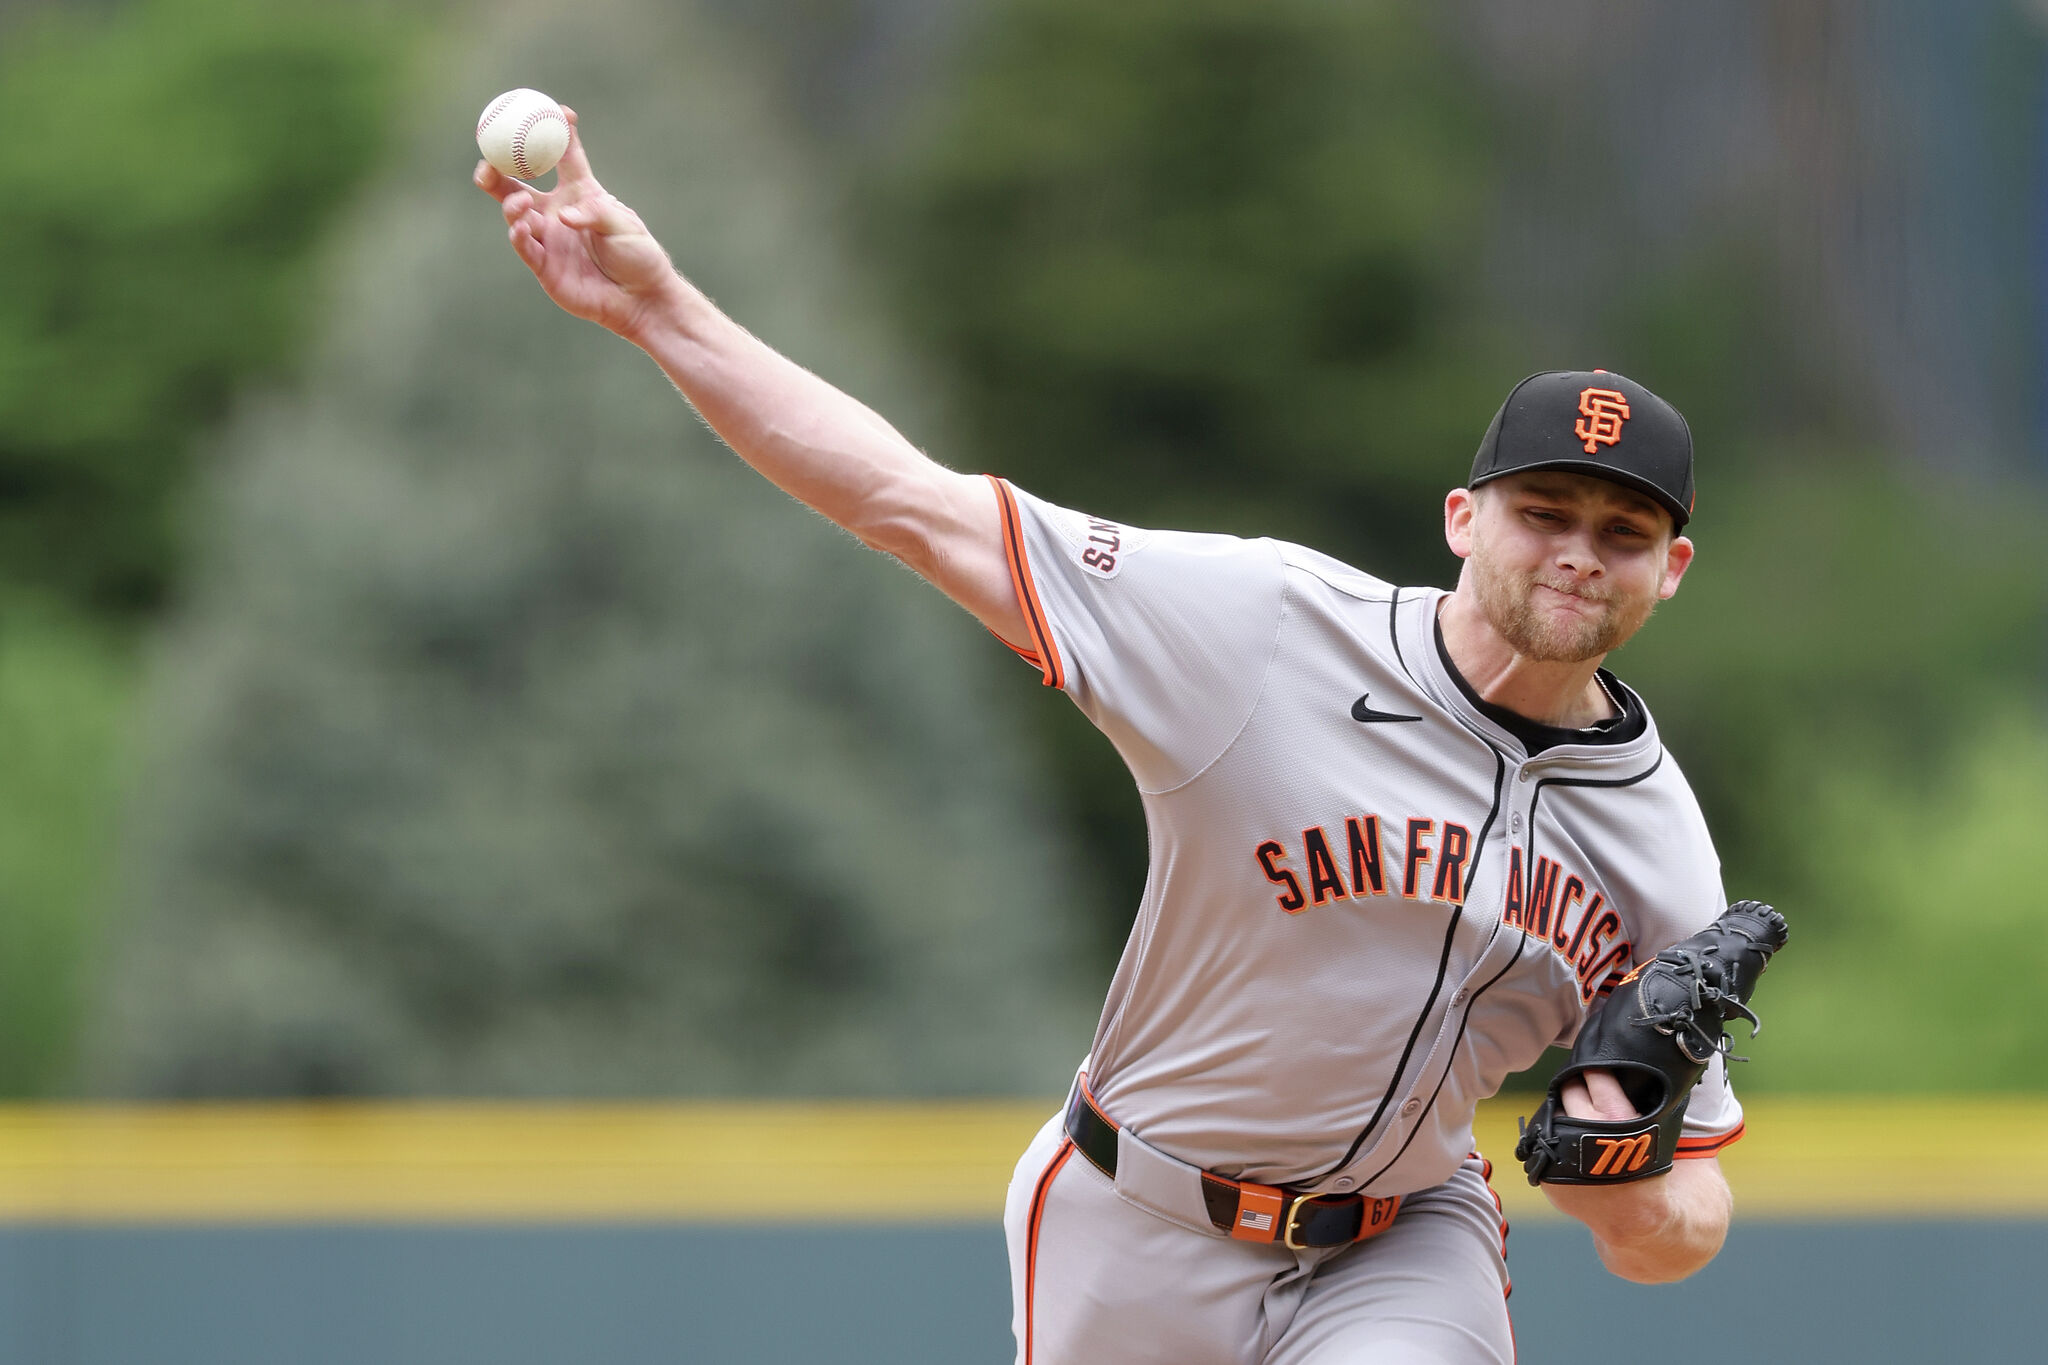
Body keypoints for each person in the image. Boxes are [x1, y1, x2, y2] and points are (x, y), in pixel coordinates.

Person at [477, 113, 1747, 1365]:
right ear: (1464, 519)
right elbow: (909, 506)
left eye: (1622, 532)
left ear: (1671, 568)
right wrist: (657, 309)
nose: (1579, 553)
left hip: (1400, 1241)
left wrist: (1615, 1165)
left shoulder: (1657, 850)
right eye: (1544, 512)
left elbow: (1666, 1233)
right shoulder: (1262, 631)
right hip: (1132, 1220)